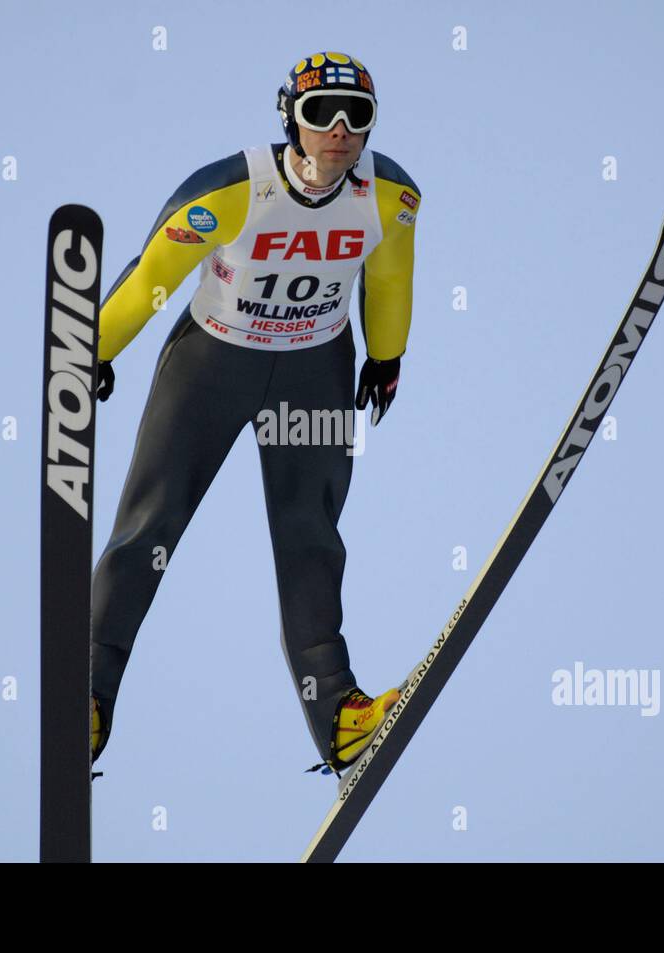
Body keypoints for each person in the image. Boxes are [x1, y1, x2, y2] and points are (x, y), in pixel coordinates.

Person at [88, 51, 422, 777]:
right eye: (320, 115)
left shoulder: (390, 195)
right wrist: (93, 351)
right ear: (289, 120)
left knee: (311, 537)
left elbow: (391, 276)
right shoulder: (234, 192)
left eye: (356, 117)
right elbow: (150, 277)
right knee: (151, 526)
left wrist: (386, 357)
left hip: (314, 367)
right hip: (213, 364)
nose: (339, 131)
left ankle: (341, 717)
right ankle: (84, 699)